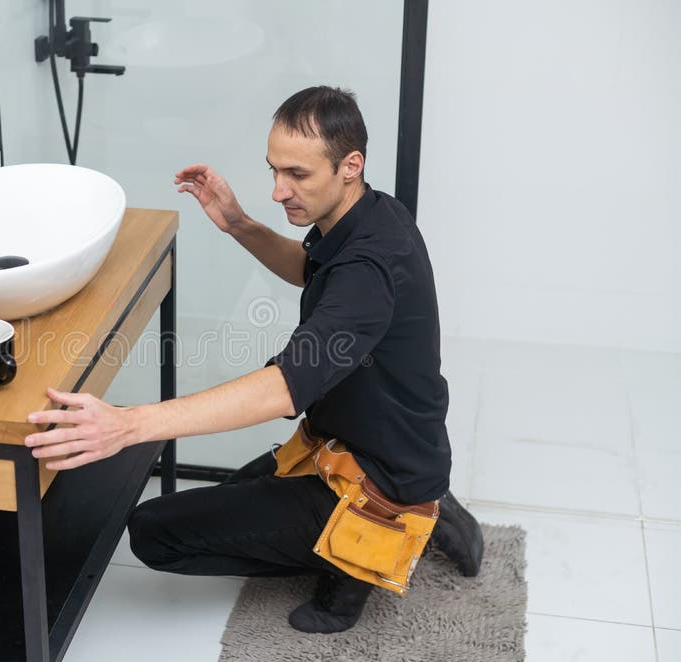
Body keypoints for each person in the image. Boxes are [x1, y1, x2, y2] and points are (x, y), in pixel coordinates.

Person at [25, 85, 483, 633]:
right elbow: (306, 270)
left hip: (382, 475)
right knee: (228, 502)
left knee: (154, 531)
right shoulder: (371, 215)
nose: (277, 191)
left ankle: (359, 558)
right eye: (273, 170)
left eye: (296, 175)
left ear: (350, 166)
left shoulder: (369, 272)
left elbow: (282, 389)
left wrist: (129, 425)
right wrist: (239, 224)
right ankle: (425, 503)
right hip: (378, 444)